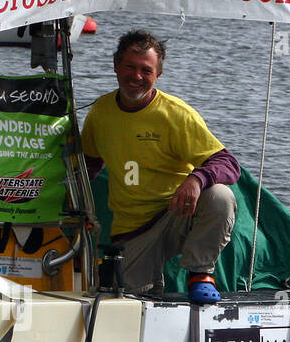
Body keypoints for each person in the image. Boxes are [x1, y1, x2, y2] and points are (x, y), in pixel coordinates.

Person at [80, 29, 239, 301]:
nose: (137, 77)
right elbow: (87, 166)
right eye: (130, 67)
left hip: (177, 212)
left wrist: (196, 180)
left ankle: (200, 272)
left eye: (146, 70)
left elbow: (228, 163)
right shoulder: (99, 113)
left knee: (220, 196)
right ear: (116, 65)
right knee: (123, 300)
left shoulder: (177, 114)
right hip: (131, 228)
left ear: (158, 75)